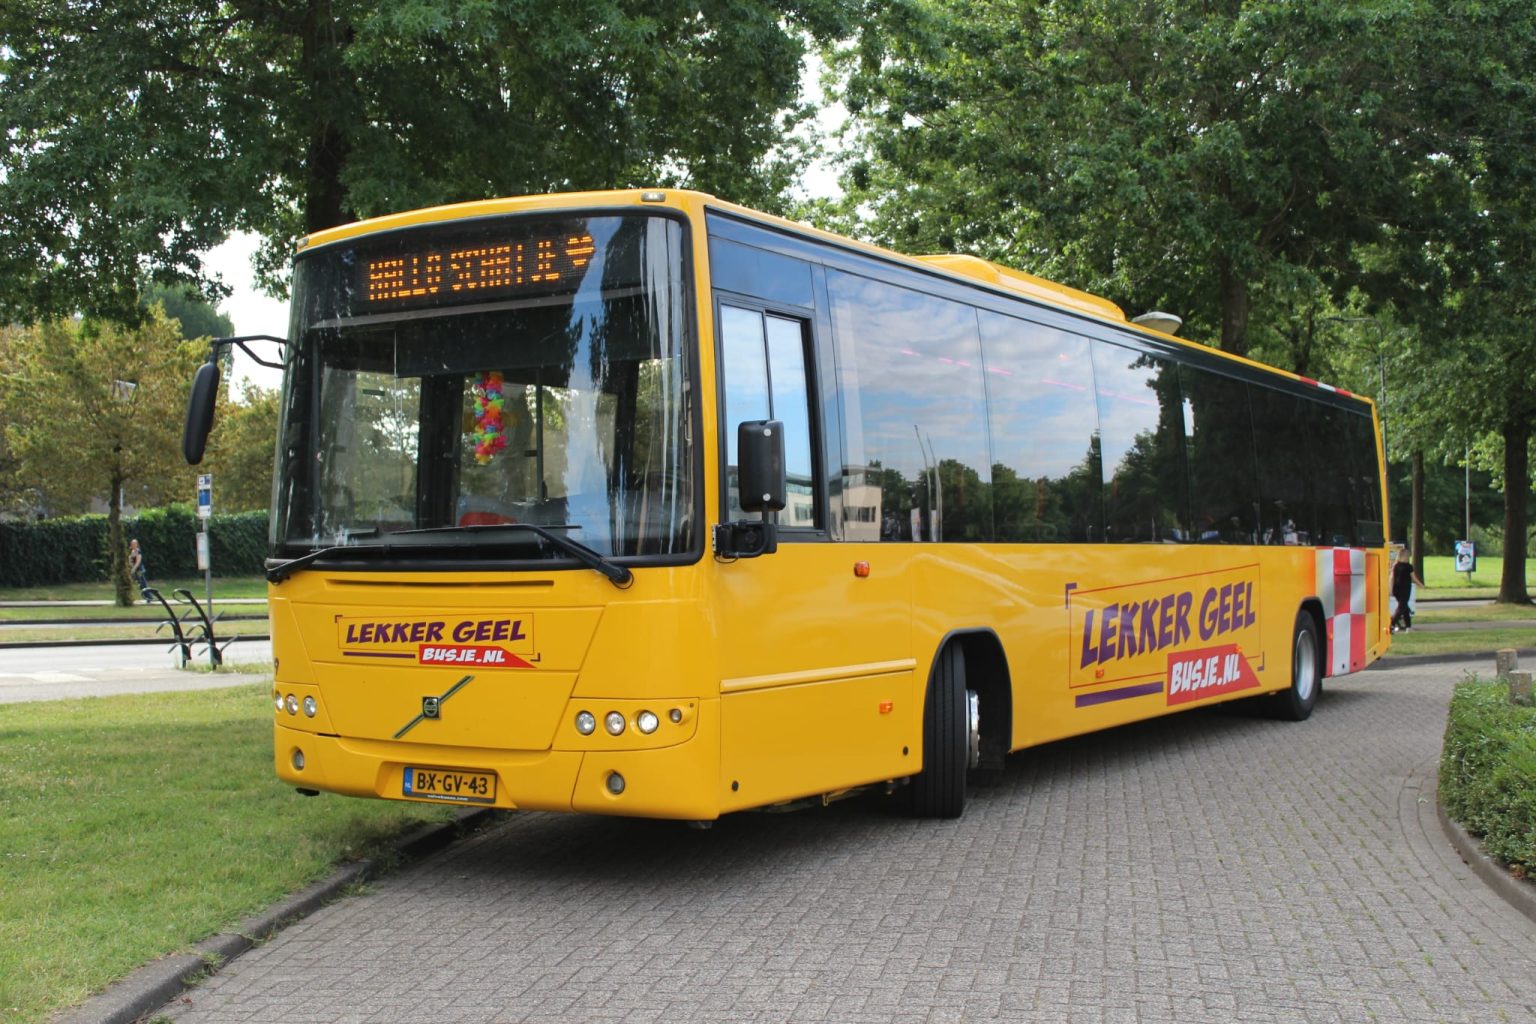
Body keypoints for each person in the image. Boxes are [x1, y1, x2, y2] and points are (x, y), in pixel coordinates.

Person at [1391, 545, 1424, 633]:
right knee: (1401, 607)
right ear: (1406, 556)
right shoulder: (1408, 566)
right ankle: (1391, 623)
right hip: (1405, 589)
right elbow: (1414, 578)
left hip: (1396, 589)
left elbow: (1392, 578)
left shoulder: (1396, 565)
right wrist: (1421, 585)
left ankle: (1408, 627)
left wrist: (1391, 589)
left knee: (1405, 608)